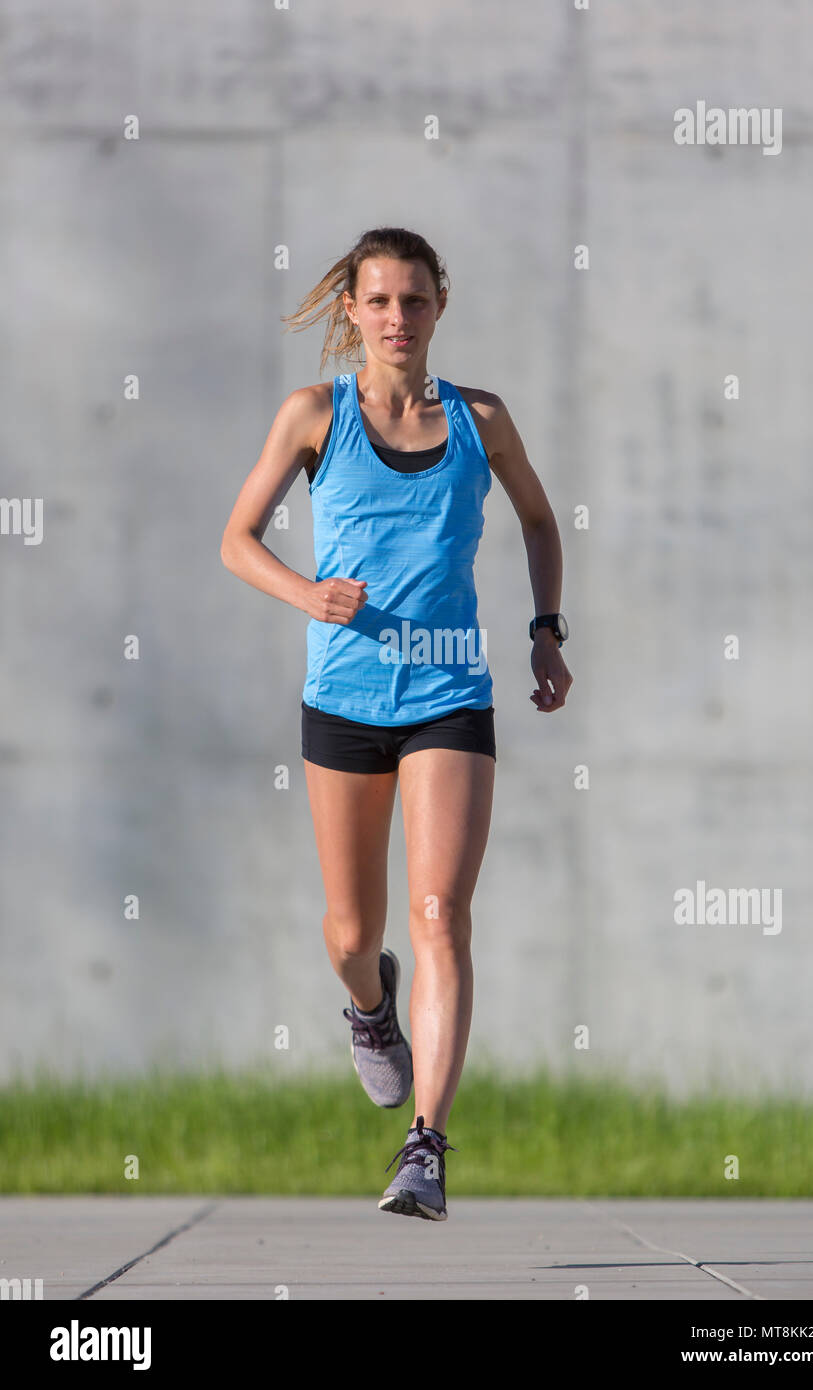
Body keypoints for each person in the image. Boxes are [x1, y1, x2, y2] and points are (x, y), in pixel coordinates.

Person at [220, 226, 572, 1220]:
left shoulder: (481, 419)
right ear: (352, 313)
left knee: (438, 917)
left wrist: (544, 629)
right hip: (342, 701)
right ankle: (369, 1008)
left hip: (450, 695)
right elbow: (234, 539)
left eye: (413, 301)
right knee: (350, 932)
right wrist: (305, 592)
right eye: (377, 302)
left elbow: (540, 520)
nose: (396, 319)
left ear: (437, 308)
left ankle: (425, 1146)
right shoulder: (311, 416)